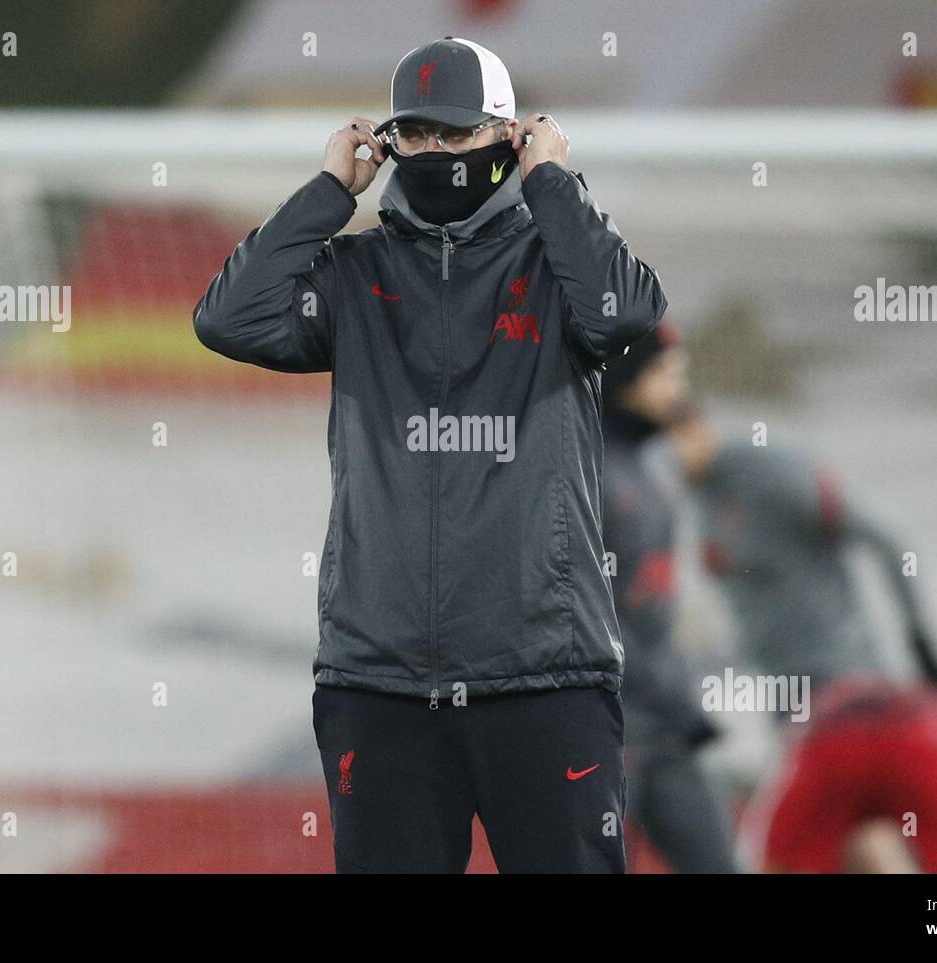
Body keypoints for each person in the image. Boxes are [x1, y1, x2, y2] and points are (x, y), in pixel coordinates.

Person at [193, 37, 668, 873]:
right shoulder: (352, 273)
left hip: (546, 677)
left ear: (506, 138)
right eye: (415, 136)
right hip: (379, 685)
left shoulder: (556, 267)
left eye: (455, 136)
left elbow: (626, 315)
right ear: (391, 144)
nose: (435, 154)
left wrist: (552, 182)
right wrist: (331, 190)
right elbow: (227, 318)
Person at [668, 409, 937, 872]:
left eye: (664, 447)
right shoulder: (696, 496)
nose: (659, 462)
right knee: (830, 838)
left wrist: (922, 642)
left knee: (868, 832)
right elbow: (744, 611)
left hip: (843, 676)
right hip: (784, 690)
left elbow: (889, 540)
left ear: (694, 429)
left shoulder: (772, 468)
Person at [600, 323, 739, 872]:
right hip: (604, 733)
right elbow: (588, 612)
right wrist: (667, 693)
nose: (677, 391)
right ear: (626, 378)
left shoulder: (658, 462)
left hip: (668, 727)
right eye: (665, 375)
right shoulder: (586, 468)